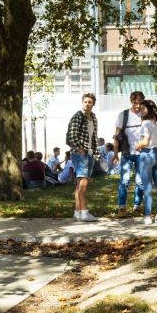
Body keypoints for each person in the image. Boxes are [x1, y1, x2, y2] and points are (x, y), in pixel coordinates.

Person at [65, 93, 99, 221]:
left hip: (89, 153)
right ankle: (84, 212)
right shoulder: (78, 116)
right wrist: (80, 148)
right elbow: (72, 135)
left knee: (81, 183)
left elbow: (94, 137)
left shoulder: (93, 117)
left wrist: (95, 153)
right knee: (83, 182)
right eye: (85, 101)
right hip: (80, 153)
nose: (87, 104)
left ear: (93, 104)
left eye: (90, 102)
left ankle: (77, 212)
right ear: (82, 102)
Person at [134, 99, 157, 225]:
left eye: (143, 109)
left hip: (146, 154)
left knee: (147, 186)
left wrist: (136, 147)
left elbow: (145, 142)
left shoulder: (145, 123)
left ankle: (148, 216)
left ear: (150, 109)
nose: (141, 111)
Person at [114, 91, 146, 215]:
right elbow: (117, 136)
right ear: (131, 101)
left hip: (141, 154)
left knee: (140, 182)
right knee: (124, 180)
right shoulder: (123, 115)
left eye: (140, 103)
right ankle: (122, 207)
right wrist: (115, 154)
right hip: (126, 153)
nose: (137, 106)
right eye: (135, 102)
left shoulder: (145, 115)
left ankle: (137, 206)